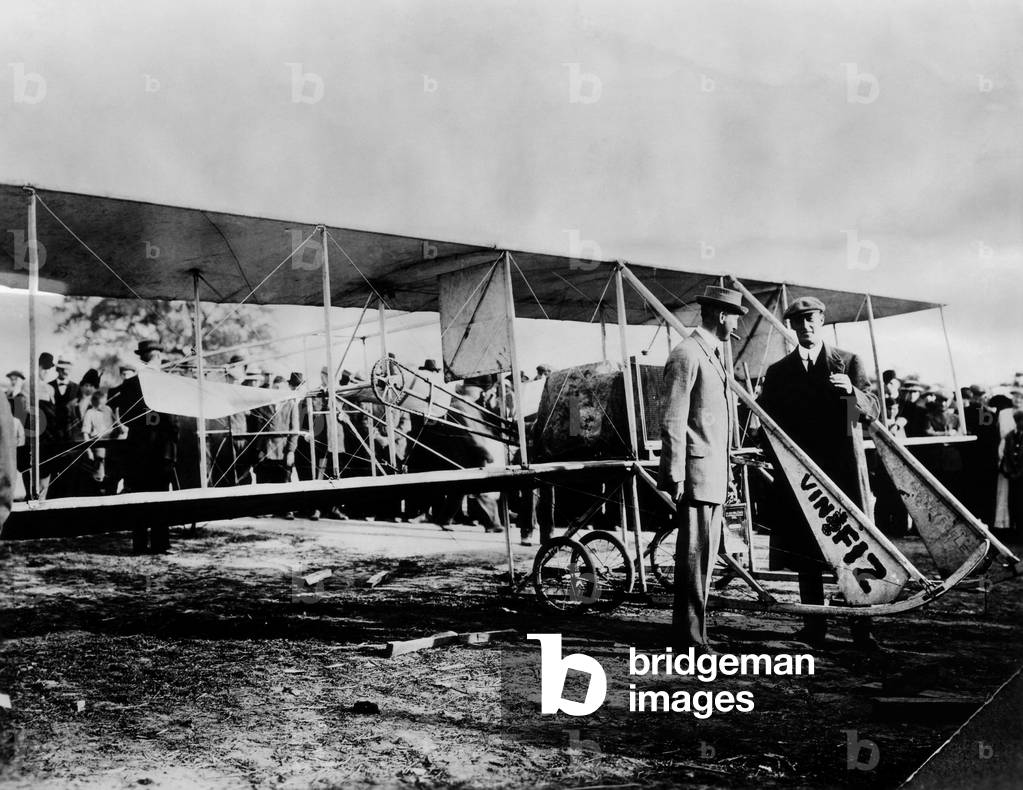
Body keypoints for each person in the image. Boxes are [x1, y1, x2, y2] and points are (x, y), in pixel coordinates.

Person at [757, 295, 881, 650]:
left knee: (854, 551)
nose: (805, 326)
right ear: (792, 327)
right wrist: (780, 463)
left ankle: (862, 630)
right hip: (801, 479)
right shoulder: (779, 372)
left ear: (822, 322)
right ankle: (814, 627)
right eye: (798, 322)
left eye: (811, 320)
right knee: (807, 553)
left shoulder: (848, 362)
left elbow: (869, 413)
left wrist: (852, 393)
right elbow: (766, 424)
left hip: (842, 477)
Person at [659, 285, 746, 654]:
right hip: (696, 477)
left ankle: (696, 633)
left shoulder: (712, 354)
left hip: (712, 475)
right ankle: (690, 639)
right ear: (722, 316)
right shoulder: (687, 354)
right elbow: (672, 419)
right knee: (694, 562)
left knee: (704, 561)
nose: (736, 326)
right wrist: (674, 473)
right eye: (735, 318)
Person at [117, 339, 179, 553]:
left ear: (141, 358)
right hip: (162, 450)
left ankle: (140, 544)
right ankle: (160, 544)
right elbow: (173, 420)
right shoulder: (167, 382)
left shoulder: (130, 384)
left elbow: (125, 418)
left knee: (139, 496)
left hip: (138, 449)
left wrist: (145, 424)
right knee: (160, 497)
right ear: (159, 356)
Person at [998, 410, 1023, 534]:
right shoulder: (1009, 436)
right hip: (1013, 476)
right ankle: (1015, 529)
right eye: (1019, 421)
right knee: (1013, 503)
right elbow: (1007, 455)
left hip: (1021, 475)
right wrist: (1010, 472)